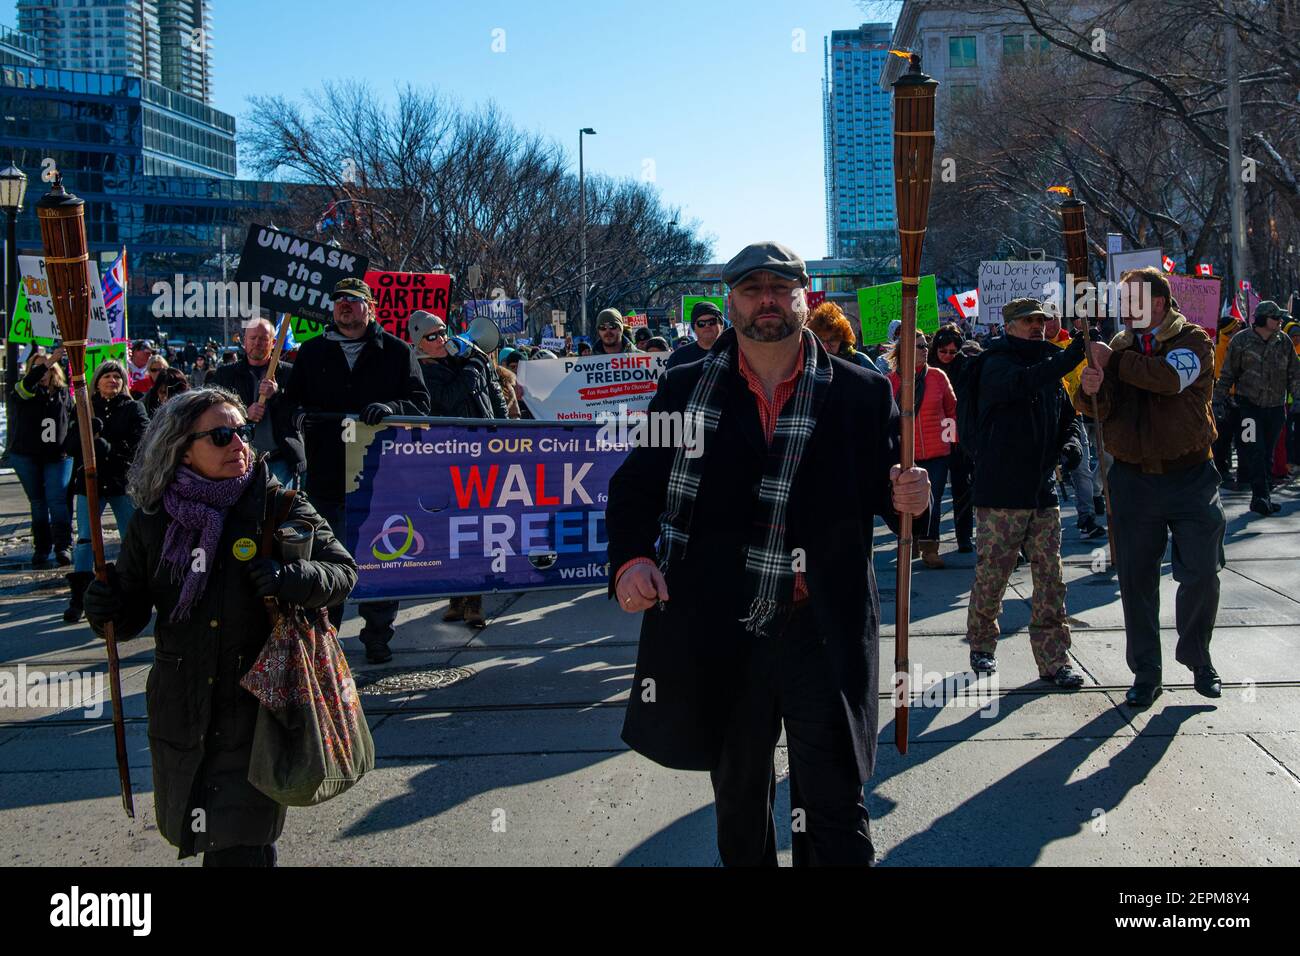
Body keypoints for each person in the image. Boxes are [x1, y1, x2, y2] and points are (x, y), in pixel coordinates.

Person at [607, 241, 930, 867]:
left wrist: (910, 496)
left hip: (822, 629)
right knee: (739, 799)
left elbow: (894, 500)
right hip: (724, 629)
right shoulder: (682, 390)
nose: (768, 302)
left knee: (835, 805)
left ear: (804, 299)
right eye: (753, 290)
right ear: (730, 303)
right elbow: (634, 488)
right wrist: (631, 561)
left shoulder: (862, 393)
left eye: (781, 289)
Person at [81, 388, 357, 866]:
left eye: (242, 432)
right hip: (184, 704)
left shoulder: (279, 504)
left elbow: (343, 572)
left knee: (241, 846)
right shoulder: (155, 519)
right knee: (208, 837)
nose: (238, 445)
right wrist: (104, 604)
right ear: (181, 447)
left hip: (257, 705)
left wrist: (291, 578)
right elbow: (125, 619)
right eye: (221, 435)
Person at [1079, 267, 1224, 706]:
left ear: (1157, 304)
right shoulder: (1121, 347)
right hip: (1132, 479)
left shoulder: (1192, 340)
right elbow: (1098, 411)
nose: (1123, 311)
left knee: (1201, 571)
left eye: (1131, 302)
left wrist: (1114, 362)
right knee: (1136, 580)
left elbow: (1168, 380)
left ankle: (1196, 655)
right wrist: (1091, 388)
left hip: (1191, 476)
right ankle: (1147, 671)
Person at [282, 277, 430, 663]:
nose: (344, 305)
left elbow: (420, 404)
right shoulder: (312, 353)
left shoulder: (396, 352)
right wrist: (295, 415)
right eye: (338, 300)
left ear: (370, 308)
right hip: (328, 475)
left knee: (381, 556)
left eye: (353, 300)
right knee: (328, 557)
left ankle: (378, 634)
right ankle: (327, 636)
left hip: (380, 476)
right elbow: (291, 404)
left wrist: (390, 409)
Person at [964, 298, 1087, 689]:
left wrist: (1071, 447)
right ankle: (982, 644)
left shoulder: (1049, 366)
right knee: (993, 574)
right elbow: (1022, 383)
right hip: (1000, 493)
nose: (1038, 326)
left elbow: (1069, 419)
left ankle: (1054, 661)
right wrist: (1071, 357)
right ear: (1009, 325)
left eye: (1042, 320)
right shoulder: (994, 364)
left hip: (1042, 492)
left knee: (1051, 579)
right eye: (1029, 321)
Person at [409, 309, 505, 627]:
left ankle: (474, 600)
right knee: (453, 529)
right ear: (420, 341)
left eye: (444, 331)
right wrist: (475, 364)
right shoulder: (421, 369)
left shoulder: (468, 360)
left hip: (484, 451)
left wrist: (508, 430)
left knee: (478, 526)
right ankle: (457, 598)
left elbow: (494, 395)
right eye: (433, 336)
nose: (443, 339)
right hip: (448, 456)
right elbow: (448, 399)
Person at [61, 359, 150, 622]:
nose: (113, 380)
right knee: (86, 540)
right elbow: (69, 445)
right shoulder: (86, 408)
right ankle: (79, 596)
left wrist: (107, 448)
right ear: (97, 381)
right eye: (107, 376)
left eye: (117, 377)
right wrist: (87, 437)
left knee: (129, 538)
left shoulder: (133, 408)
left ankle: (131, 589)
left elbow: (140, 445)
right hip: (90, 483)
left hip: (121, 483)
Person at [1214, 300, 1300, 516]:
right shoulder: (1241, 341)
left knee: (1268, 452)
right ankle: (1259, 496)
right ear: (1263, 319)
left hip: (1276, 408)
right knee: (1255, 449)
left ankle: (1265, 496)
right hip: (1248, 408)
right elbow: (1227, 374)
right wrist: (1217, 401)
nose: (1280, 321)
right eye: (1275, 317)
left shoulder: (1284, 341)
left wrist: (1298, 399)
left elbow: (1295, 374)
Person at [208, 316, 305, 489]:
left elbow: (300, 411)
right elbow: (211, 412)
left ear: (273, 342)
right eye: (252, 338)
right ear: (244, 340)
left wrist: (276, 394)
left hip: (280, 459)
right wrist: (244, 413)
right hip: (239, 459)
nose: (257, 343)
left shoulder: (290, 373)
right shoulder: (226, 375)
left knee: (278, 513)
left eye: (263, 339)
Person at [887, 331, 957, 569]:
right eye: (918, 346)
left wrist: (951, 441)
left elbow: (951, 410)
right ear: (904, 350)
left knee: (933, 500)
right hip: (906, 454)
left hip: (938, 453)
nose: (925, 349)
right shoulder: (891, 381)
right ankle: (911, 541)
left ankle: (930, 547)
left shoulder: (938, 376)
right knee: (905, 501)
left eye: (925, 345)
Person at [1044, 311, 1108, 540]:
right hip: (1044, 415)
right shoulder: (1035, 348)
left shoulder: (1076, 344)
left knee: (1081, 468)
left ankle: (1086, 518)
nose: (1050, 322)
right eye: (1046, 318)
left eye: (1054, 317)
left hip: (1074, 414)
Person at [10, 348, 74, 567]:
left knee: (57, 501)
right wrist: (48, 361)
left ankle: (63, 546)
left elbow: (71, 419)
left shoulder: (64, 393)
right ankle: (42, 547)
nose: (44, 371)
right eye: (38, 367)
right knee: (38, 503)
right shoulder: (22, 390)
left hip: (58, 456)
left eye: (47, 367)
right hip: (27, 455)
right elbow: (26, 385)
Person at [927, 325, 975, 551]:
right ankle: (929, 539)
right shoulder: (927, 367)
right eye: (943, 351)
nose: (947, 355)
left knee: (962, 488)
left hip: (959, 435)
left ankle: (964, 537)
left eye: (952, 352)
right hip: (933, 435)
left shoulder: (965, 367)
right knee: (932, 491)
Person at [808, 301, 874, 370]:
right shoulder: (809, 365)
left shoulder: (861, 361)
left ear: (843, 340)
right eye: (820, 340)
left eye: (832, 340)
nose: (825, 347)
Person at [667, 302, 726, 369]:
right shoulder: (678, 357)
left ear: (721, 325)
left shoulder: (734, 353)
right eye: (701, 323)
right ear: (694, 328)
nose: (707, 326)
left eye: (712, 322)